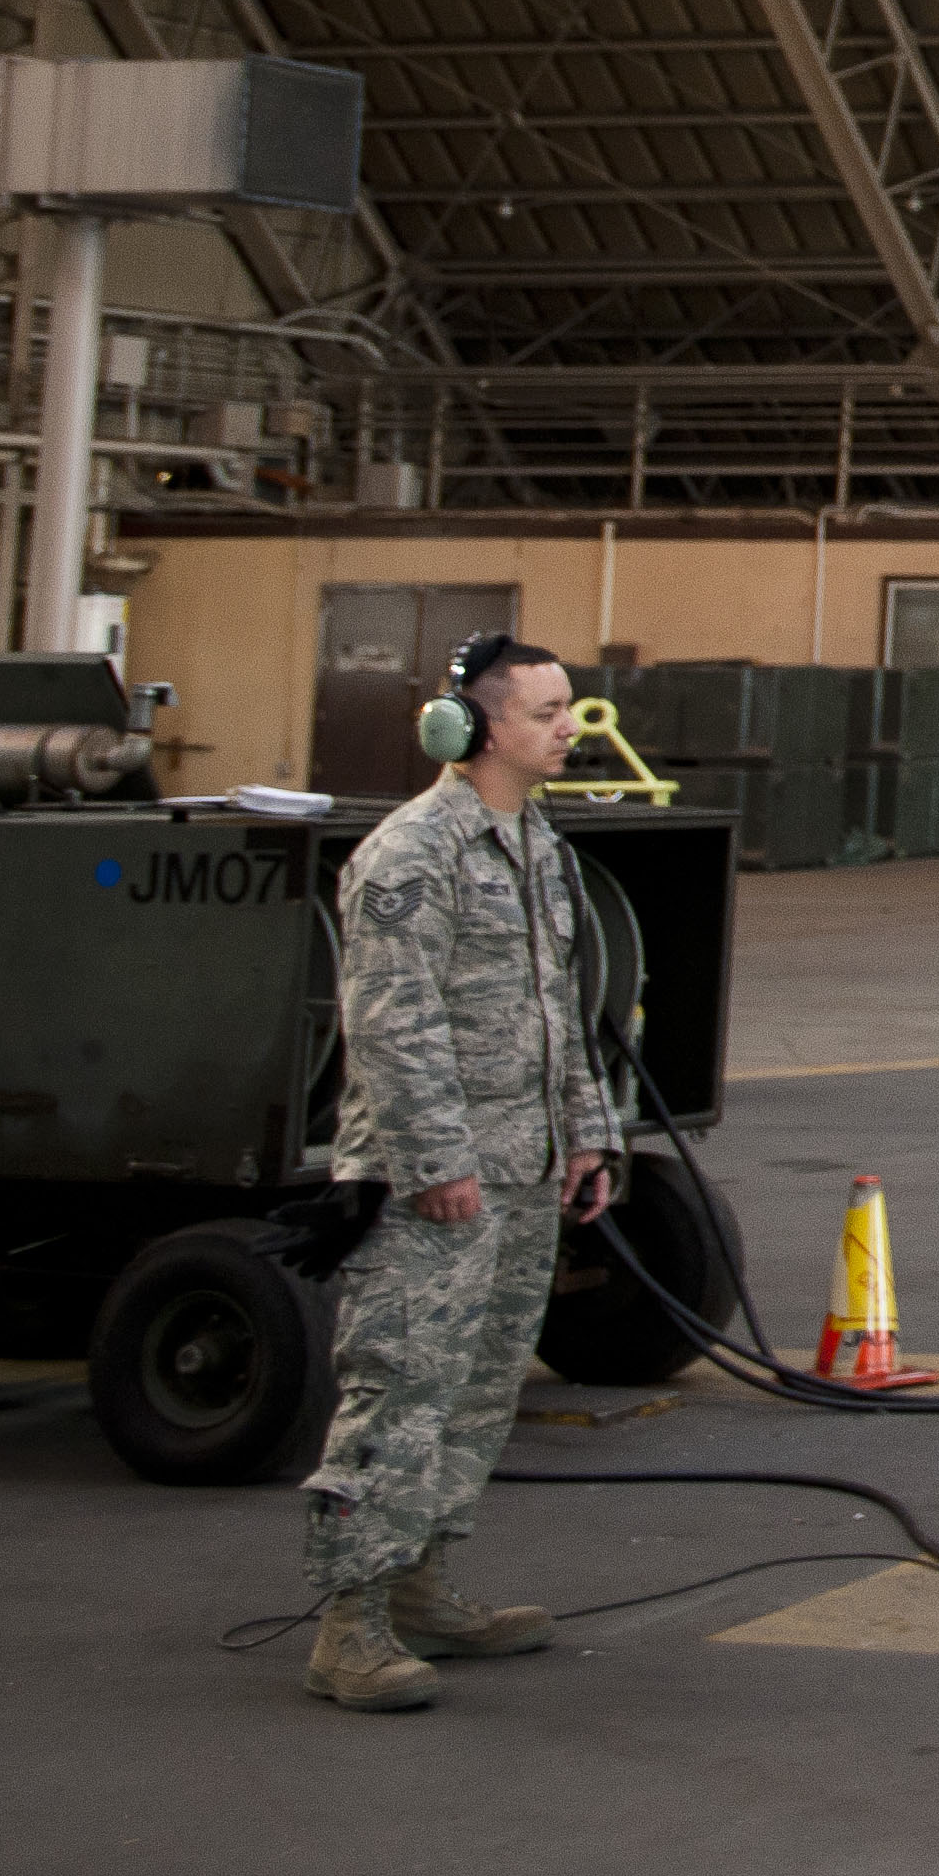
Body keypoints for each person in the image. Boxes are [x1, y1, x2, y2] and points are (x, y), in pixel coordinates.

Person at [297, 630, 625, 1710]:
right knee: (401, 1391)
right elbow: (393, 1025)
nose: (568, 729)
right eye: (545, 712)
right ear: (473, 726)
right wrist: (433, 1160)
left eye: (570, 708)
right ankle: (350, 1626)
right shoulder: (413, 852)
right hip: (435, 1179)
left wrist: (587, 1134)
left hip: (521, 1172)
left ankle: (424, 1585)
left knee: (480, 1391)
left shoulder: (532, 843)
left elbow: (557, 1010)